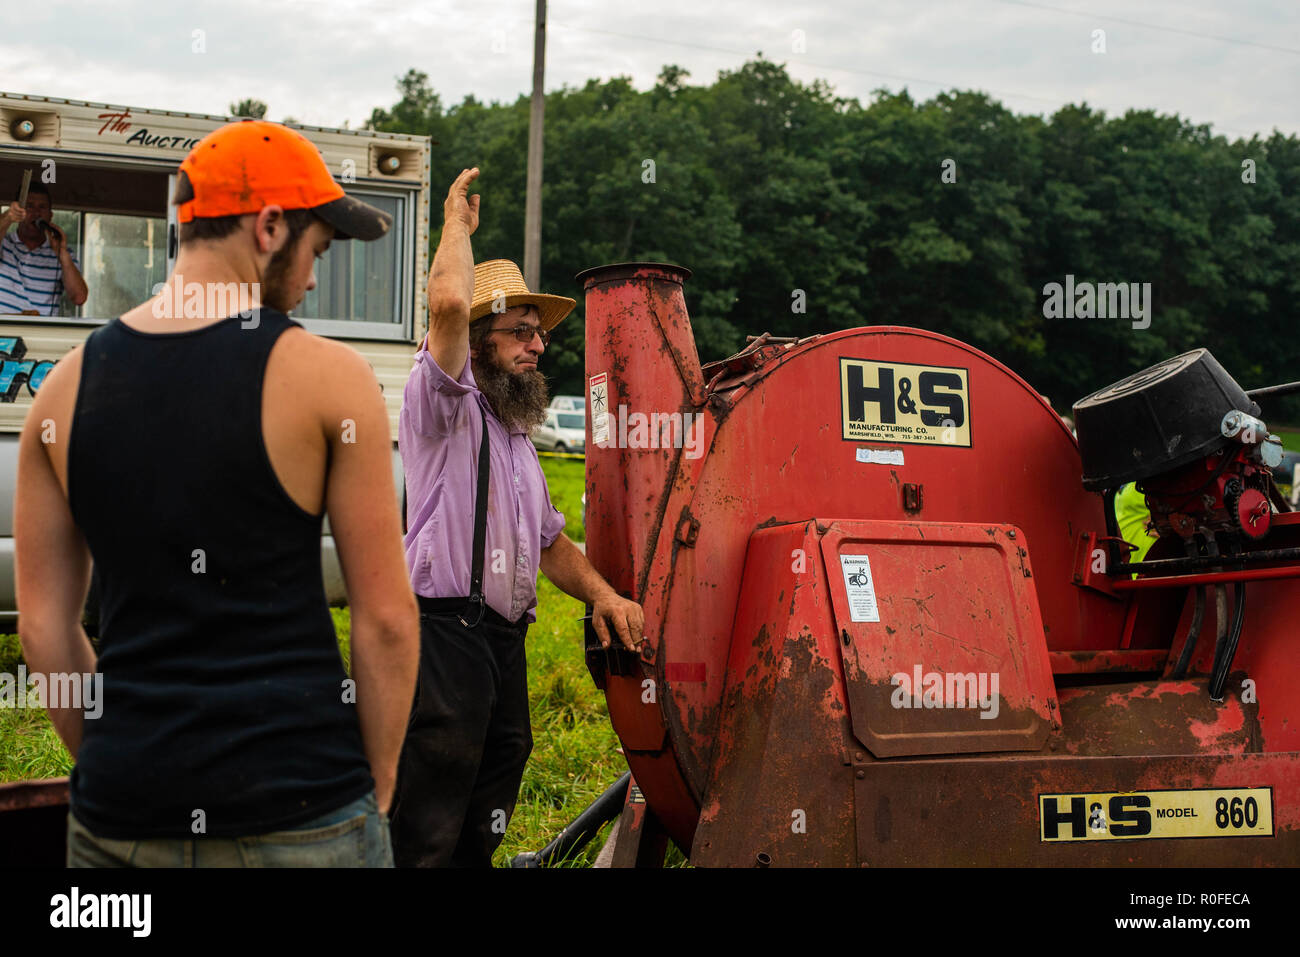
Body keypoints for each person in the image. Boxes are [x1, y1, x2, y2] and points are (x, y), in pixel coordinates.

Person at [15, 119, 419, 867]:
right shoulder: (332, 379)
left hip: (117, 823)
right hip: (303, 809)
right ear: (268, 227)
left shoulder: (62, 392)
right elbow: (388, 619)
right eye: (316, 250)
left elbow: (44, 629)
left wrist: (114, 760)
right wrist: (379, 787)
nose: (314, 278)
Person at [392, 168, 644, 867]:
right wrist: (455, 228)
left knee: (496, 776)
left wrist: (604, 595)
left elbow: (550, 541)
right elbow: (446, 303)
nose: (539, 344)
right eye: (521, 331)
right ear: (477, 339)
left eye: (539, 333)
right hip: (445, 631)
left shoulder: (513, 436)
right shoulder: (443, 403)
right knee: (432, 807)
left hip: (501, 640)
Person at [0, 181, 88, 315]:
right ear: (20, 212)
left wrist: (62, 254)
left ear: (50, 216)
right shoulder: (5, 242)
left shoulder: (61, 253)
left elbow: (79, 297)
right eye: (29, 206)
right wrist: (7, 217)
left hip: (41, 335)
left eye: (42, 207)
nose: (36, 213)